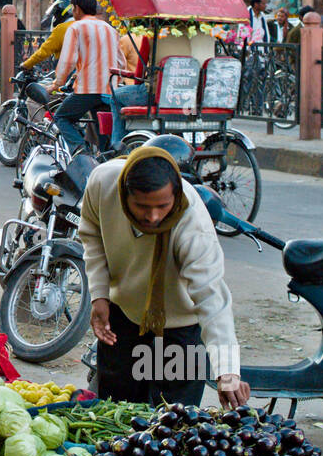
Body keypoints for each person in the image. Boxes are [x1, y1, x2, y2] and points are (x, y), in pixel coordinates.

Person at [80, 142, 249, 406]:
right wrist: (99, 295)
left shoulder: (193, 225)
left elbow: (212, 299)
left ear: (175, 194)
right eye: (142, 206)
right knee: (116, 409)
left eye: (162, 205)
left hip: (179, 327)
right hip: (124, 316)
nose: (153, 216)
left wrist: (226, 371)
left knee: (173, 419)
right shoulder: (103, 183)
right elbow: (91, 235)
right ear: (124, 195)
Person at [52, 0, 149, 153]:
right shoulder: (110, 29)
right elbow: (120, 63)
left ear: (77, 9)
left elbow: (67, 61)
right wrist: (113, 82)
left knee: (61, 117)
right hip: (109, 91)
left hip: (87, 90)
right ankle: (104, 159)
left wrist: (56, 83)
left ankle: (80, 150)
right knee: (103, 133)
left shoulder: (75, 28)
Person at [20, 0, 74, 71]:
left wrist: (26, 64)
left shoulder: (62, 28)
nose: (54, 18)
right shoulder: (82, 25)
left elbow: (44, 51)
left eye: (55, 15)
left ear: (61, 13)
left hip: (66, 69)